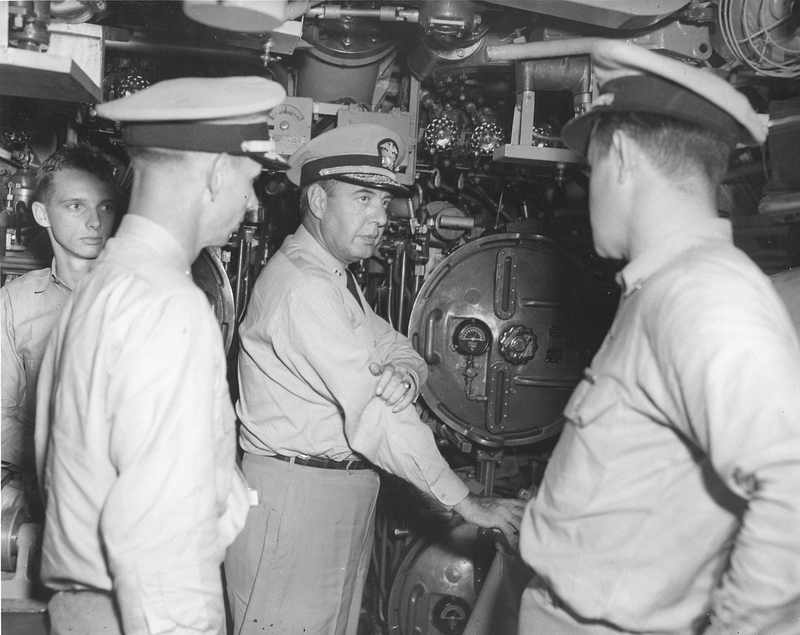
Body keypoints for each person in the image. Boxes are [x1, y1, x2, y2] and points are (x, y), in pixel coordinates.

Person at [517, 40, 800, 635]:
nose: (586, 191)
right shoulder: (663, 287)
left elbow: (792, 487)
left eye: (589, 170)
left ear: (619, 155)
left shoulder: (703, 296)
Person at [225, 123, 525, 635]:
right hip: (297, 498)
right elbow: (376, 414)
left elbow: (397, 347)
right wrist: (467, 501)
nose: (380, 218)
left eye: (385, 203)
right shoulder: (306, 288)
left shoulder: (330, 275)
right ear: (317, 200)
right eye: (363, 197)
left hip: (331, 492)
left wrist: (404, 375)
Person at [34, 76, 288, 635]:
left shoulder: (101, 287)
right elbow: (161, 540)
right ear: (219, 171)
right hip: (136, 615)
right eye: (249, 181)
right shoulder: (168, 306)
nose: (249, 204)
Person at [2, 142, 117, 474]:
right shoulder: (15, 303)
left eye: (105, 207)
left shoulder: (139, 298)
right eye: (76, 206)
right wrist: (63, 459)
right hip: (43, 486)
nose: (95, 221)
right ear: (42, 214)